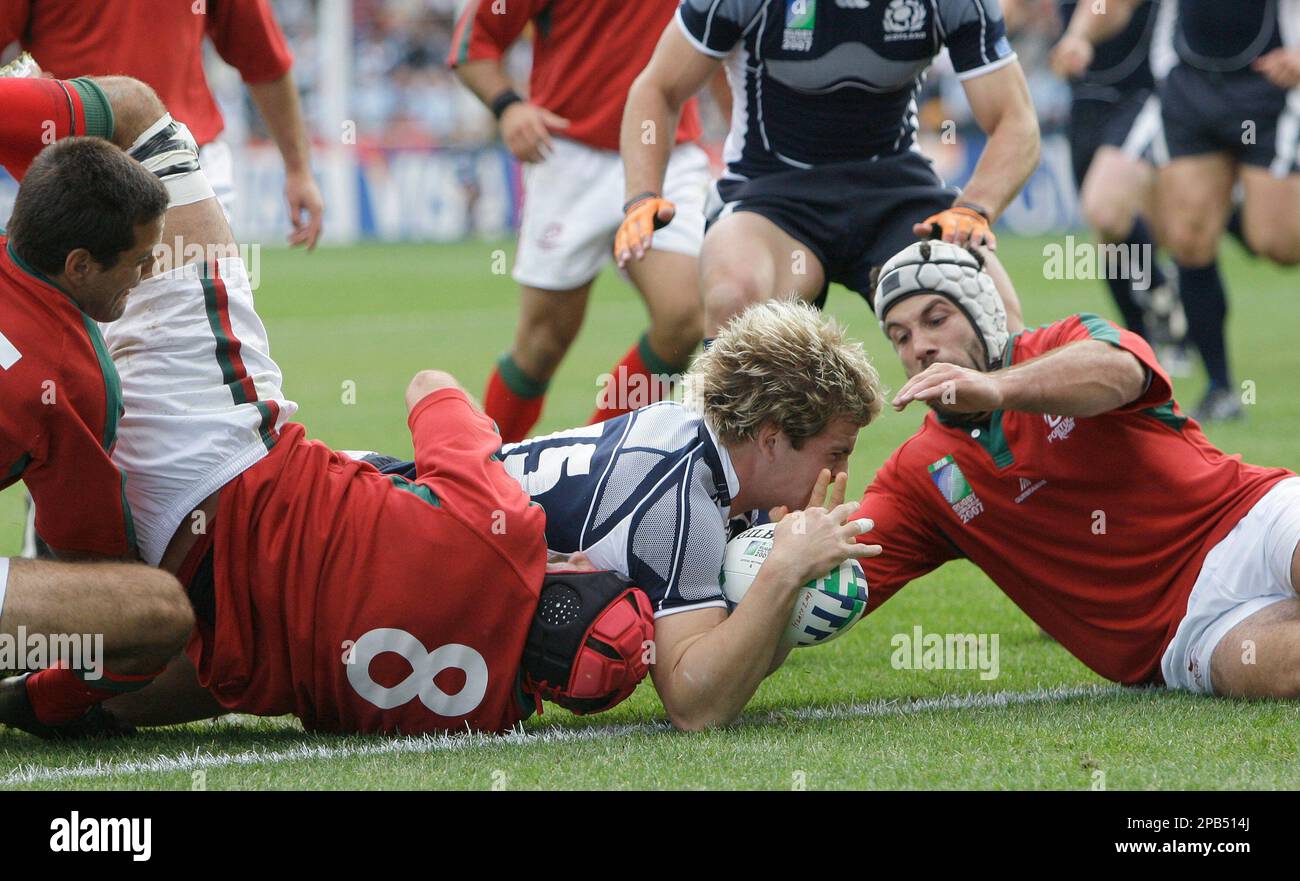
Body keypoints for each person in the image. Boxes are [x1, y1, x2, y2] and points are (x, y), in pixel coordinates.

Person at [377, 299, 887, 730]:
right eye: (836, 453)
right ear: (773, 439)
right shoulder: (681, 497)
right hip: (389, 538)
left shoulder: (705, 448)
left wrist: (785, 590)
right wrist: (783, 572)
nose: (842, 471)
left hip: (406, 529)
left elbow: (735, 661)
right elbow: (695, 705)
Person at [851, 238, 1297, 697]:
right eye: (900, 336)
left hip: (1251, 519)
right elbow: (838, 580)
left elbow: (1122, 371)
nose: (920, 347)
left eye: (937, 319)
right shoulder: (918, 474)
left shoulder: (1061, 343)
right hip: (1186, 634)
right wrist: (786, 543)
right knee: (1286, 670)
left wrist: (998, 389)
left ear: (980, 312)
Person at [617, 0, 1040, 338]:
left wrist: (973, 209)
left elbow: (1014, 122)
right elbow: (659, 88)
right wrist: (642, 193)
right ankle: (733, 442)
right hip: (772, 195)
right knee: (735, 295)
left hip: (895, 192)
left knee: (991, 319)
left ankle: (979, 443)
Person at [0, 74, 200, 737]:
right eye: (140, 263)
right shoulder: (75, 376)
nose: (148, 276)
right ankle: (29, 703)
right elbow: (92, 563)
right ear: (80, 264)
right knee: (157, 612)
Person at [449, 0, 711, 440]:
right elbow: (471, 43)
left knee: (684, 318)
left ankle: (593, 465)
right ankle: (483, 480)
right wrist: (509, 106)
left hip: (667, 150)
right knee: (541, 345)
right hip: (568, 153)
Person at [1083, 0, 1300, 422]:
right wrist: (1077, 36)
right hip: (1189, 88)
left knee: (1279, 242)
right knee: (1189, 240)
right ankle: (1220, 388)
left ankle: (1241, 211)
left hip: (1270, 87)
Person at [0, 0, 323, 246]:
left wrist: (298, 169)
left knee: (188, 320)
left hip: (187, 164)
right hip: (74, 174)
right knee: (85, 327)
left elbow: (262, 56)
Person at [1042, 0, 1186, 365]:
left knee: (1105, 211)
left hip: (1140, 95)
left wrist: (1077, 35)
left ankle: (1160, 289)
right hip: (1083, 104)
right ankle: (1142, 342)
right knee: (1108, 237)